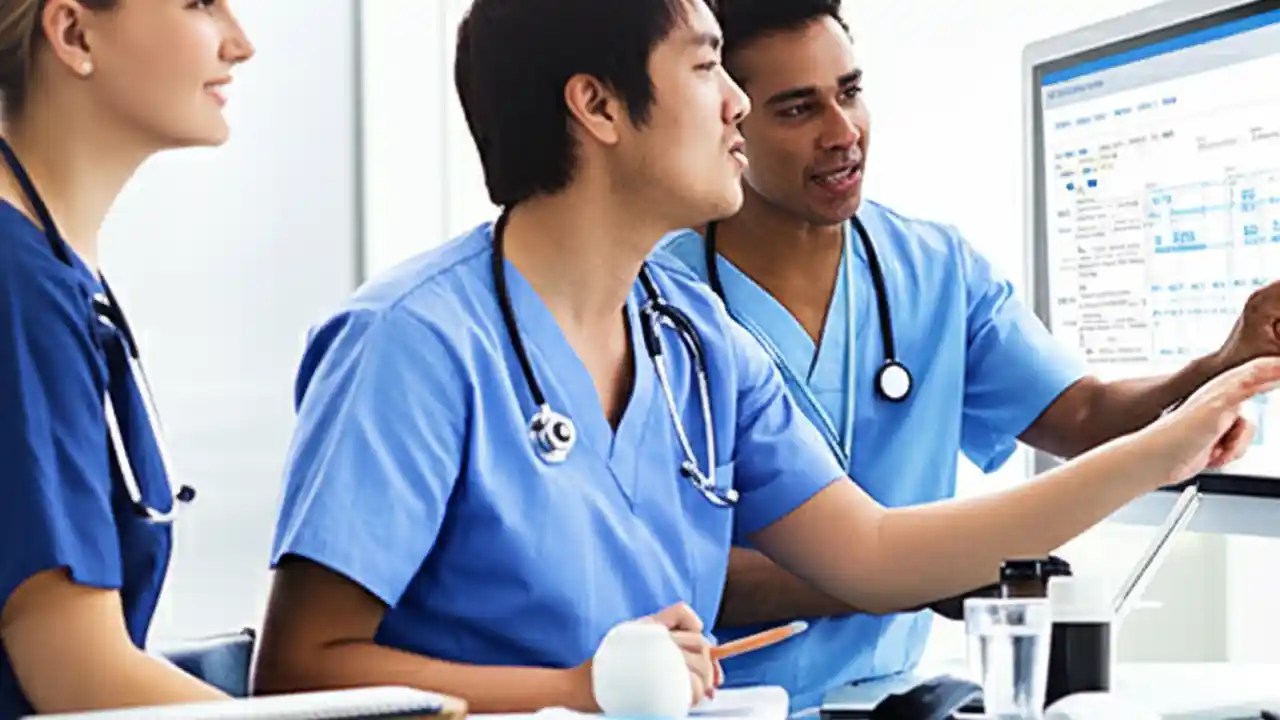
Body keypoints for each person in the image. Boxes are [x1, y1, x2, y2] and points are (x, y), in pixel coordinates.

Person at [251, 0, 1280, 714]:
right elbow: (297, 672)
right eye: (708, 68)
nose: (736, 104)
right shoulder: (411, 342)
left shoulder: (696, 343)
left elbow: (878, 554)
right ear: (598, 107)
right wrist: (573, 692)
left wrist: (1165, 448)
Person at [655, 0, 1280, 708]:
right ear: (729, 119)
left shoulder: (934, 270)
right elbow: (680, 575)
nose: (843, 133)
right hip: (728, 706)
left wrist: (1225, 364)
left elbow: (1084, 415)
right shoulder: (659, 304)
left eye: (850, 93)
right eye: (798, 110)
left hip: (897, 699)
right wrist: (934, 571)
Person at [0, 0, 254, 715]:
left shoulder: (57, 271)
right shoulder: (17, 285)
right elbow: (77, 677)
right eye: (199, 3)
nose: (241, 44)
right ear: (74, 33)